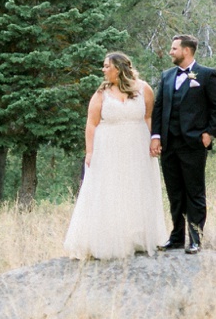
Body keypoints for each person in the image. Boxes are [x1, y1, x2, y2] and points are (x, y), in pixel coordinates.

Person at [63, 52, 166, 259]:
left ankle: (138, 237)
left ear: (118, 68)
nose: (103, 70)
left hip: (137, 146)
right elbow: (91, 124)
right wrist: (90, 151)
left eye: (106, 66)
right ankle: (108, 240)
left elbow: (148, 117)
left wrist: (154, 141)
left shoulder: (143, 89)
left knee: (136, 187)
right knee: (110, 189)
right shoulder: (101, 93)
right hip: (108, 147)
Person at [150, 34, 216, 254]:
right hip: (169, 144)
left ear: (186, 51)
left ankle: (195, 238)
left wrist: (210, 133)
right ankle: (175, 237)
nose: (171, 52)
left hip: (193, 142)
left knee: (194, 191)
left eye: (174, 49)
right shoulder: (166, 76)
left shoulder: (206, 74)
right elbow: (158, 109)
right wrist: (156, 136)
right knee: (174, 192)